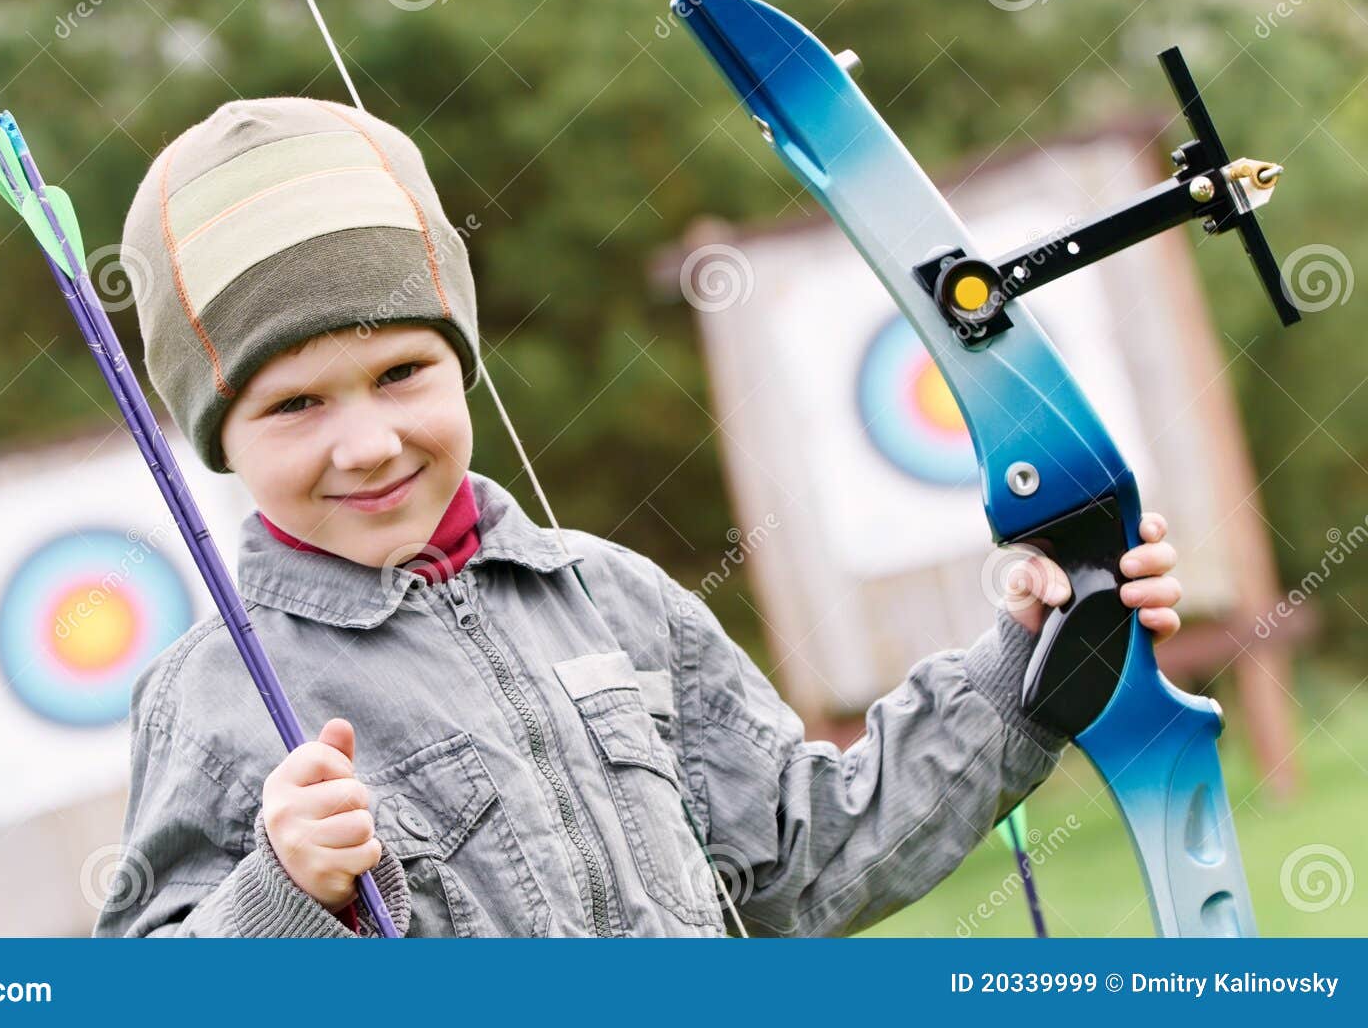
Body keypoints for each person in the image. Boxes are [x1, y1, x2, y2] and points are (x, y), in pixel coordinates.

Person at [93, 96, 1181, 937]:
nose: (368, 441)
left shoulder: (609, 597)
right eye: (295, 404)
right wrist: (284, 894)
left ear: (460, 363)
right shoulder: (216, 693)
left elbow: (800, 861)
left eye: (400, 372)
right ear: (218, 440)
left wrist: (1034, 663)